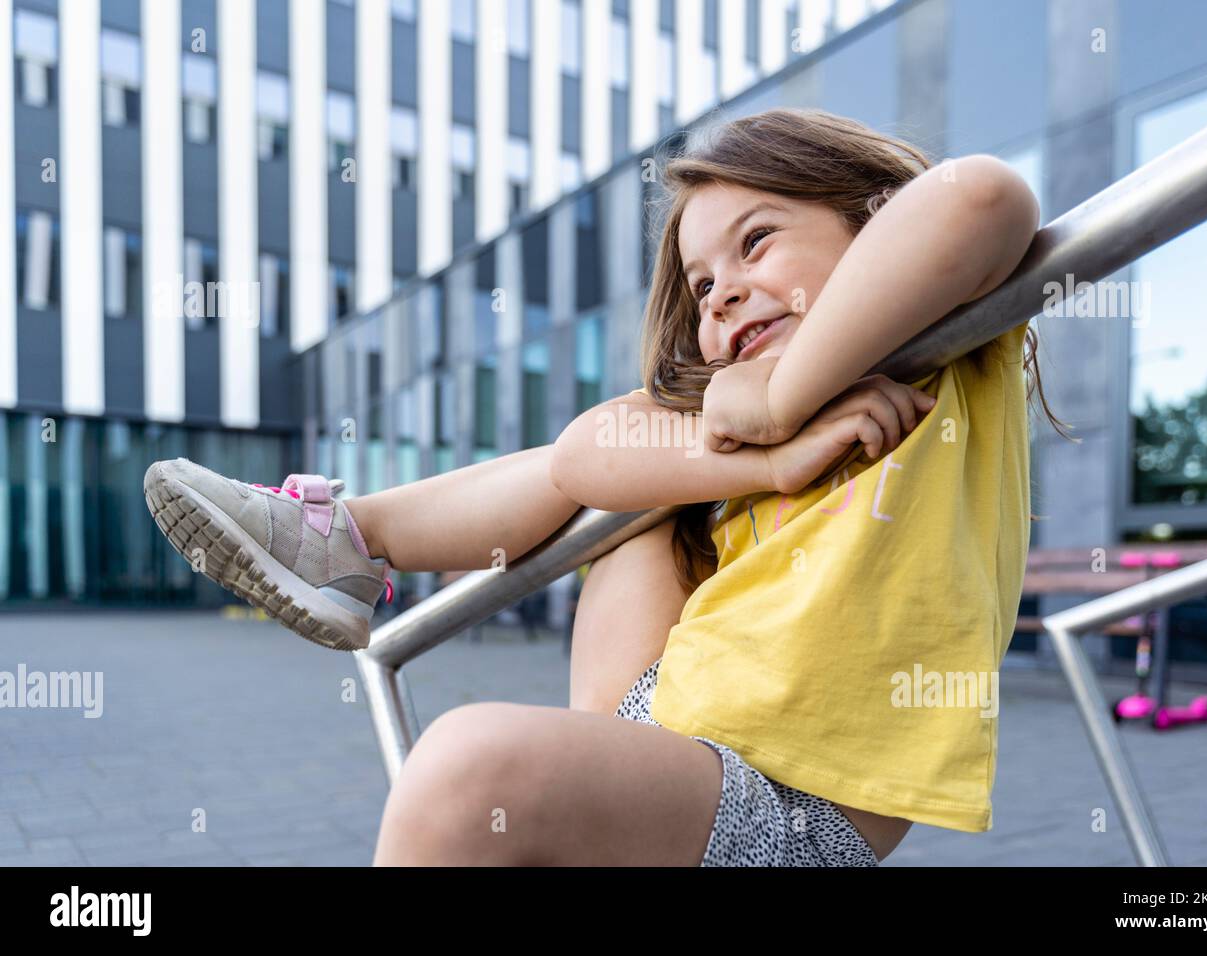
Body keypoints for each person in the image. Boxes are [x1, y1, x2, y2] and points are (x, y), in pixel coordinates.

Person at [142, 107, 1066, 866]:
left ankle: (350, 542)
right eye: (702, 286)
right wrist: (770, 452)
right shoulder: (740, 420)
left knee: (468, 764)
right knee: (621, 485)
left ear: (869, 219)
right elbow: (583, 454)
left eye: (757, 243)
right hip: (660, 734)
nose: (723, 295)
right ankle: (351, 536)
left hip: (794, 808)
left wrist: (784, 395)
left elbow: (979, 195)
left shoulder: (947, 341)